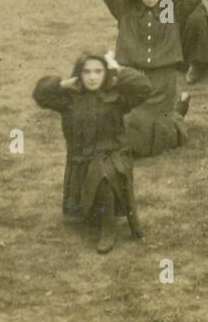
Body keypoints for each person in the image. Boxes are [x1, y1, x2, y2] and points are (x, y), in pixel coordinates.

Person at [32, 51, 151, 253]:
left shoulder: (116, 96)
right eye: (87, 72)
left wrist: (118, 69)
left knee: (103, 172)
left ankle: (108, 230)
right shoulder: (69, 99)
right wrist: (61, 84)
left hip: (114, 154)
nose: (93, 77)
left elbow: (144, 88)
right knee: (97, 168)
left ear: (106, 73)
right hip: (82, 158)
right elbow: (40, 95)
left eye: (98, 71)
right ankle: (100, 216)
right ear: (79, 74)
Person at [96, 0, 206, 157]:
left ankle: (177, 111)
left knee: (159, 139)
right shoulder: (126, 9)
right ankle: (179, 107)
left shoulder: (166, 9)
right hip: (133, 78)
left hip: (162, 80)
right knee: (128, 131)